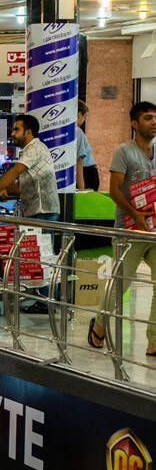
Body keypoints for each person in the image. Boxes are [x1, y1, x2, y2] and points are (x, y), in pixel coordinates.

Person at [90, 101, 156, 355]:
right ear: (134, 123)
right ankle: (99, 324)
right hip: (128, 229)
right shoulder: (124, 152)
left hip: (152, 229)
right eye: (148, 118)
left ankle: (153, 340)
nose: (153, 122)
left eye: (155, 117)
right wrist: (134, 214)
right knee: (120, 285)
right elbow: (114, 191)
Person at [0, 113, 60, 222]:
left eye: (16, 130)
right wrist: (5, 190)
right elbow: (20, 186)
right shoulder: (29, 150)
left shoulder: (35, 148)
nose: (12, 134)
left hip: (43, 212)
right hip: (37, 211)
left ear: (28, 132)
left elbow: (15, 171)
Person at [76, 102, 99, 192]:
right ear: (79, 114)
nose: (84, 120)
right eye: (85, 116)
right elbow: (78, 160)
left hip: (86, 172)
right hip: (87, 173)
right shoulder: (77, 131)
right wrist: (82, 189)